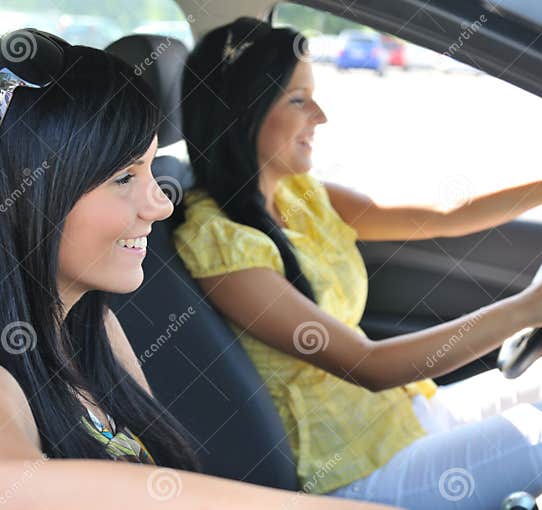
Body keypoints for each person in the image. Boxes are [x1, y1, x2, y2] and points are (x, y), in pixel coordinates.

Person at [174, 18, 542, 509]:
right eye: (299, 99)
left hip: (404, 416)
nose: (321, 115)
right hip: (353, 473)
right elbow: (368, 365)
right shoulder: (219, 244)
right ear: (244, 113)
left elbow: (442, 216)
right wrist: (530, 308)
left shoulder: (297, 195)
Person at [0, 28, 392, 510]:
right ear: (24, 197)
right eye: (124, 177)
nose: (161, 205)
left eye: (151, 169)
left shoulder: (94, 325)